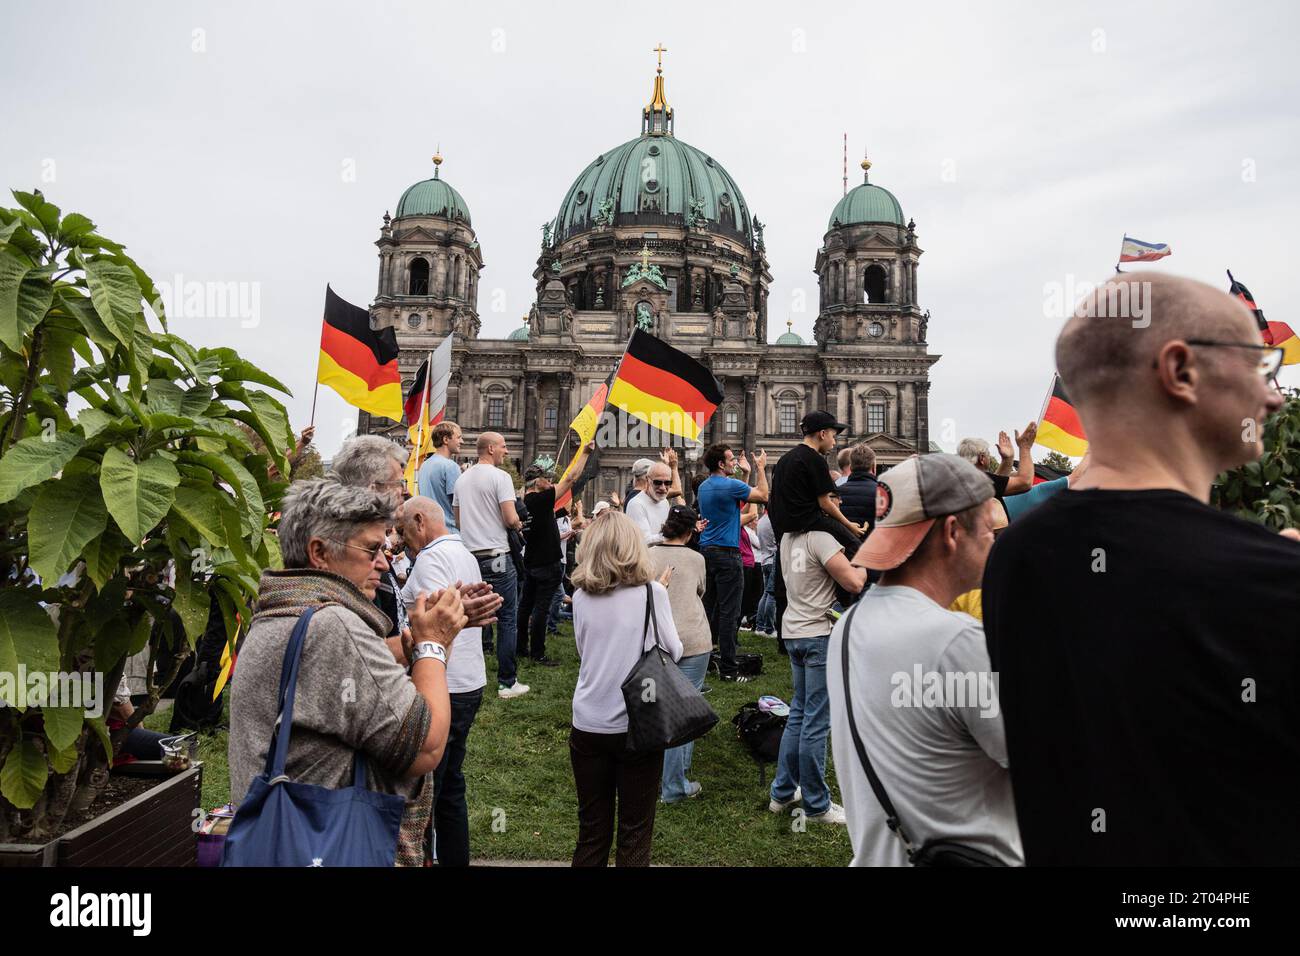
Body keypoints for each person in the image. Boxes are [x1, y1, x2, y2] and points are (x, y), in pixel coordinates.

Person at [983, 272, 1300, 865]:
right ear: (1180, 371)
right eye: (1260, 361)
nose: (1274, 393)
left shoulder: (1014, 556)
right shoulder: (1268, 580)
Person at [229, 479, 466, 867]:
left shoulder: (286, 609)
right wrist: (432, 645)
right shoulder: (334, 625)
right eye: (372, 549)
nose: (384, 562)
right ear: (320, 552)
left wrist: (426, 642)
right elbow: (425, 745)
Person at [828, 454, 1022, 866]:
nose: (994, 543)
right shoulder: (955, 640)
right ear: (953, 532)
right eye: (989, 530)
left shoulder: (848, 628)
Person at [569, 512, 683, 866]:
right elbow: (674, 651)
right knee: (635, 831)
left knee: (592, 828)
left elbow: (582, 650)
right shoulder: (652, 594)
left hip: (588, 721)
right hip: (637, 721)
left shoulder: (581, 597)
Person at [397, 496, 502, 867]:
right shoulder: (465, 552)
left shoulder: (428, 559)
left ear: (420, 521)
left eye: (402, 529)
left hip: (445, 682)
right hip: (469, 680)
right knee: (451, 783)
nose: (401, 539)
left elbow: (429, 622)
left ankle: (426, 858)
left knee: (428, 788)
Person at [769, 500, 868, 825]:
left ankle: (782, 792)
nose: (838, 503)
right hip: (818, 635)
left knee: (798, 713)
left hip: (795, 629)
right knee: (816, 721)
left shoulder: (787, 537)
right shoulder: (821, 538)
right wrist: (864, 560)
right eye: (831, 498)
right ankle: (816, 804)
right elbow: (854, 582)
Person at [767, 412, 863, 643]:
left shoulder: (784, 459)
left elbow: (773, 500)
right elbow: (825, 503)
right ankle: (842, 607)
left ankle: (783, 635)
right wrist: (849, 525)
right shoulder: (815, 459)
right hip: (810, 522)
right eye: (833, 435)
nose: (834, 442)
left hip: (787, 532)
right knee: (857, 548)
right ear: (822, 433)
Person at [454, 431, 529, 699]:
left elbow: (459, 521)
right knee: (507, 618)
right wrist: (519, 524)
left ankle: (467, 677)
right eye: (503, 446)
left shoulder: (462, 479)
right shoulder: (501, 477)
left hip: (470, 556)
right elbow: (510, 519)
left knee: (473, 617)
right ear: (489, 449)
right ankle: (507, 683)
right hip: (497, 554)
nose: (507, 451)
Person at [648, 505, 714, 804]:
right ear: (690, 532)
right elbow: (701, 591)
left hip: (657, 639)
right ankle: (675, 784)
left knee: (659, 708)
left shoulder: (648, 555)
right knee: (684, 711)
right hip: (693, 638)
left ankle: (668, 774)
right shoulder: (697, 558)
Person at [697, 444, 768, 682]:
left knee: (708, 609)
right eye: (730, 460)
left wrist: (744, 475)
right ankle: (728, 669)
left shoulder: (705, 487)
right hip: (728, 554)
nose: (734, 463)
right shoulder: (730, 486)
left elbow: (736, 508)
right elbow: (763, 496)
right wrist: (760, 468)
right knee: (730, 613)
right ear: (720, 464)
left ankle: (704, 661)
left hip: (707, 552)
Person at [330, 435, 412, 639]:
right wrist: (431, 637)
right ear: (373, 488)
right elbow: (366, 654)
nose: (406, 491)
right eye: (400, 482)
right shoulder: (349, 553)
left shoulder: (365, 546)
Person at [518, 443, 592, 666]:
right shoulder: (541, 500)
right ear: (537, 482)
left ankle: (521, 647)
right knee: (542, 608)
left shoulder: (523, 502)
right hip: (547, 562)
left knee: (525, 607)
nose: (550, 482)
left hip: (530, 561)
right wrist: (585, 453)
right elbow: (570, 479)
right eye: (547, 478)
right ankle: (538, 653)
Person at [956, 426, 1035, 499]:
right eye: (988, 454)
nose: (989, 457)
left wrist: (1008, 459)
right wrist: (1025, 447)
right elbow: (1025, 482)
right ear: (982, 458)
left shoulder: (964, 480)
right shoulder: (980, 480)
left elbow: (996, 486)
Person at [625, 449, 682, 544]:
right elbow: (644, 540)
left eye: (667, 483)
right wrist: (675, 534)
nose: (663, 488)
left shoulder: (664, 501)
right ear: (647, 480)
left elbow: (664, 532)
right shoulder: (636, 504)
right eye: (657, 482)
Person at [416, 421, 463, 531]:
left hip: (429, 530)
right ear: (446, 440)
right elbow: (458, 504)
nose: (462, 441)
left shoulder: (424, 465)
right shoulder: (451, 466)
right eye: (459, 437)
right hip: (448, 531)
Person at [836, 444, 878, 533]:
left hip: (845, 545)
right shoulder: (883, 493)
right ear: (874, 468)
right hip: (874, 545)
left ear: (851, 467)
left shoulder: (836, 493)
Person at [753, 509, 777, 638]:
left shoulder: (761, 521)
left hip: (764, 559)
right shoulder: (773, 520)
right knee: (772, 594)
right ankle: (769, 628)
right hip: (773, 558)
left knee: (766, 593)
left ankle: (760, 625)